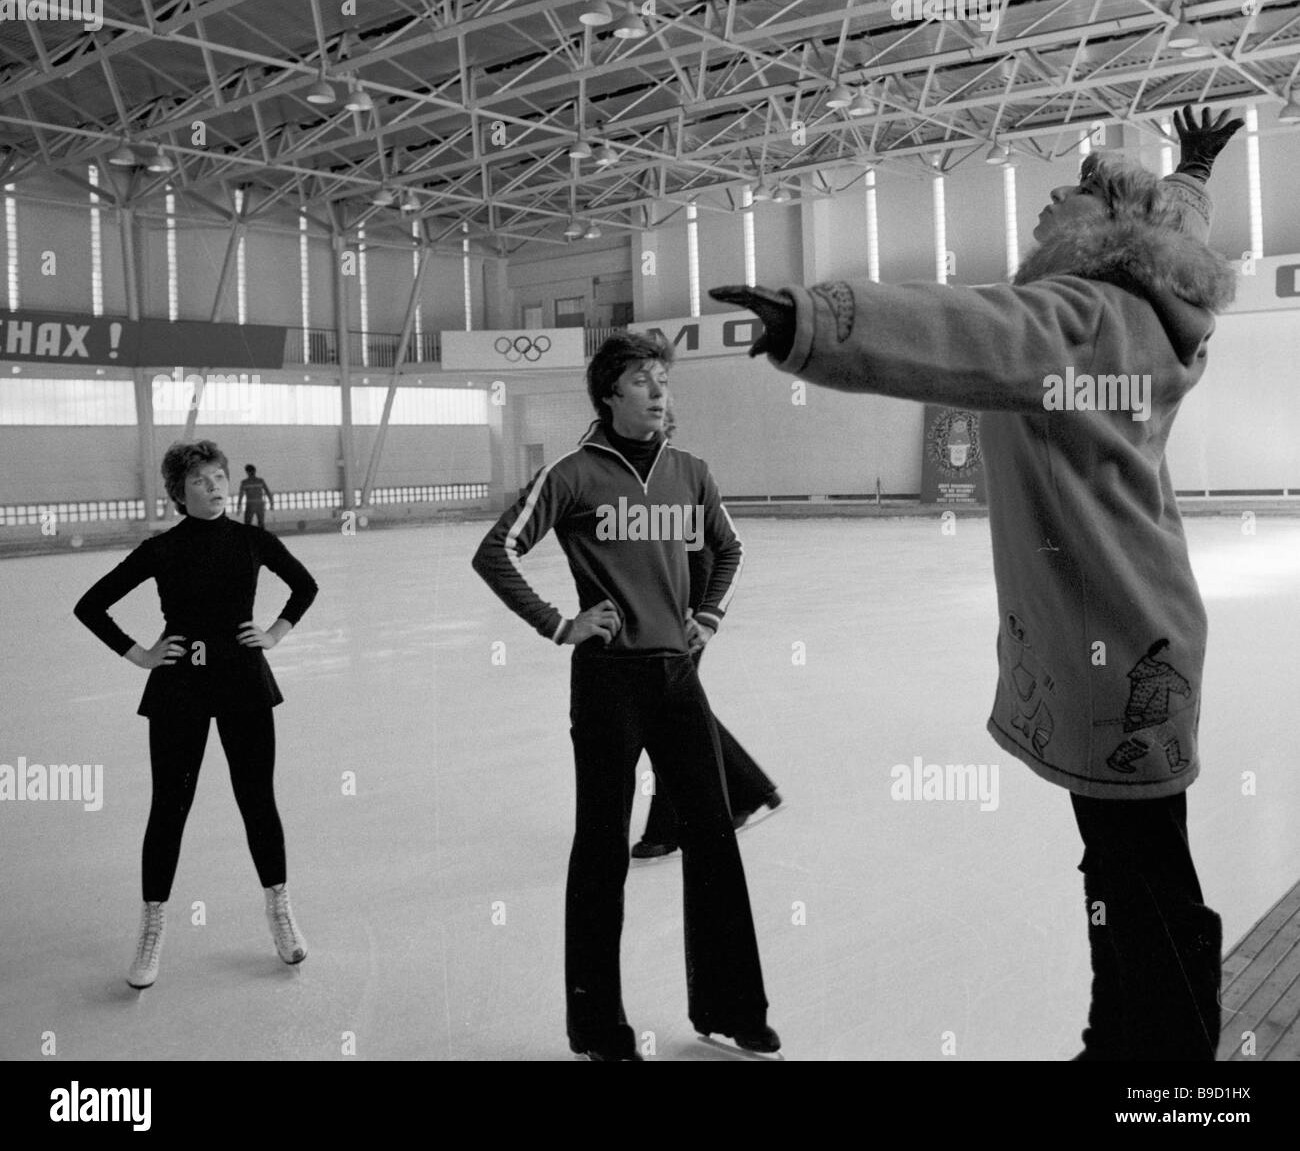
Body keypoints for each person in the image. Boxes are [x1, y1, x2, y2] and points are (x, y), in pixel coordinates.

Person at [709, 106, 1241, 1061]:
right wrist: (1194, 170)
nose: (1049, 197)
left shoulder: (1083, 319)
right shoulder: (1153, 309)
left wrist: (815, 322)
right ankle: (1116, 1042)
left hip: (1113, 643)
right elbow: (1178, 234)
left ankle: (1175, 1084)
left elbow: (965, 331)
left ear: (1108, 226)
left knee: (1147, 887)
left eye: (1073, 188)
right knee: (1129, 867)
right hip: (1135, 627)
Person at [472, 331, 779, 1060]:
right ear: (609, 395)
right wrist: (560, 624)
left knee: (712, 837)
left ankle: (731, 1009)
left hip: (678, 681)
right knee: (602, 850)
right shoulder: (572, 475)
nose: (659, 392)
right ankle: (598, 1028)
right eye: (643, 381)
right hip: (608, 682)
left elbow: (729, 547)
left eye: (663, 381)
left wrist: (707, 616)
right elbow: (497, 550)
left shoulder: (691, 473)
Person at [74, 439, 318, 990]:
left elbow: (305, 586)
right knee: (169, 807)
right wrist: (140, 654)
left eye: (217, 477)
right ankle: (152, 926)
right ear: (179, 496)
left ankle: (279, 911)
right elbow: (91, 604)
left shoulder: (253, 540)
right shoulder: (162, 549)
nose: (213, 488)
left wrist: (275, 633)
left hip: (244, 686)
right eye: (199, 482)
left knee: (257, 800)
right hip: (180, 689)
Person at [631, 402, 782, 861]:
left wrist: (698, 615)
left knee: (668, 712)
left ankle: (713, 804)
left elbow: (709, 554)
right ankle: (732, 797)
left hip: (681, 621)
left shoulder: (682, 481)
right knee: (671, 712)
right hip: (652, 617)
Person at [237, 463, 274, 528]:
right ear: (255, 471)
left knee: (247, 524)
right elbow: (268, 492)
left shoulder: (245, 482)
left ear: (247, 472)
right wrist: (271, 503)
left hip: (250, 504)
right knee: (261, 523)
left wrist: (239, 506)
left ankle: (248, 537)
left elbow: (241, 495)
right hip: (260, 504)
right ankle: (262, 537)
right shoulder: (260, 481)